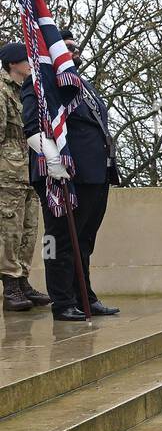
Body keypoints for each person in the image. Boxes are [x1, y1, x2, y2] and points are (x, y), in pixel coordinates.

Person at [20, 29, 118, 321]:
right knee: (60, 241)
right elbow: (31, 125)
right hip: (64, 175)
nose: (73, 54)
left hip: (95, 173)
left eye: (75, 49)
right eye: (67, 48)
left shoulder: (80, 85)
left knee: (85, 241)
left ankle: (84, 297)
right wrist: (51, 158)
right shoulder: (39, 83)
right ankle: (62, 302)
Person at [1, 43, 50, 312]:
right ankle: (10, 285)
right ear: (12, 64)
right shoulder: (2, 91)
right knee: (10, 231)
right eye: (25, 60)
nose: (30, 64)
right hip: (8, 175)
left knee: (29, 231)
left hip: (29, 173)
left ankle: (22, 280)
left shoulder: (27, 91)